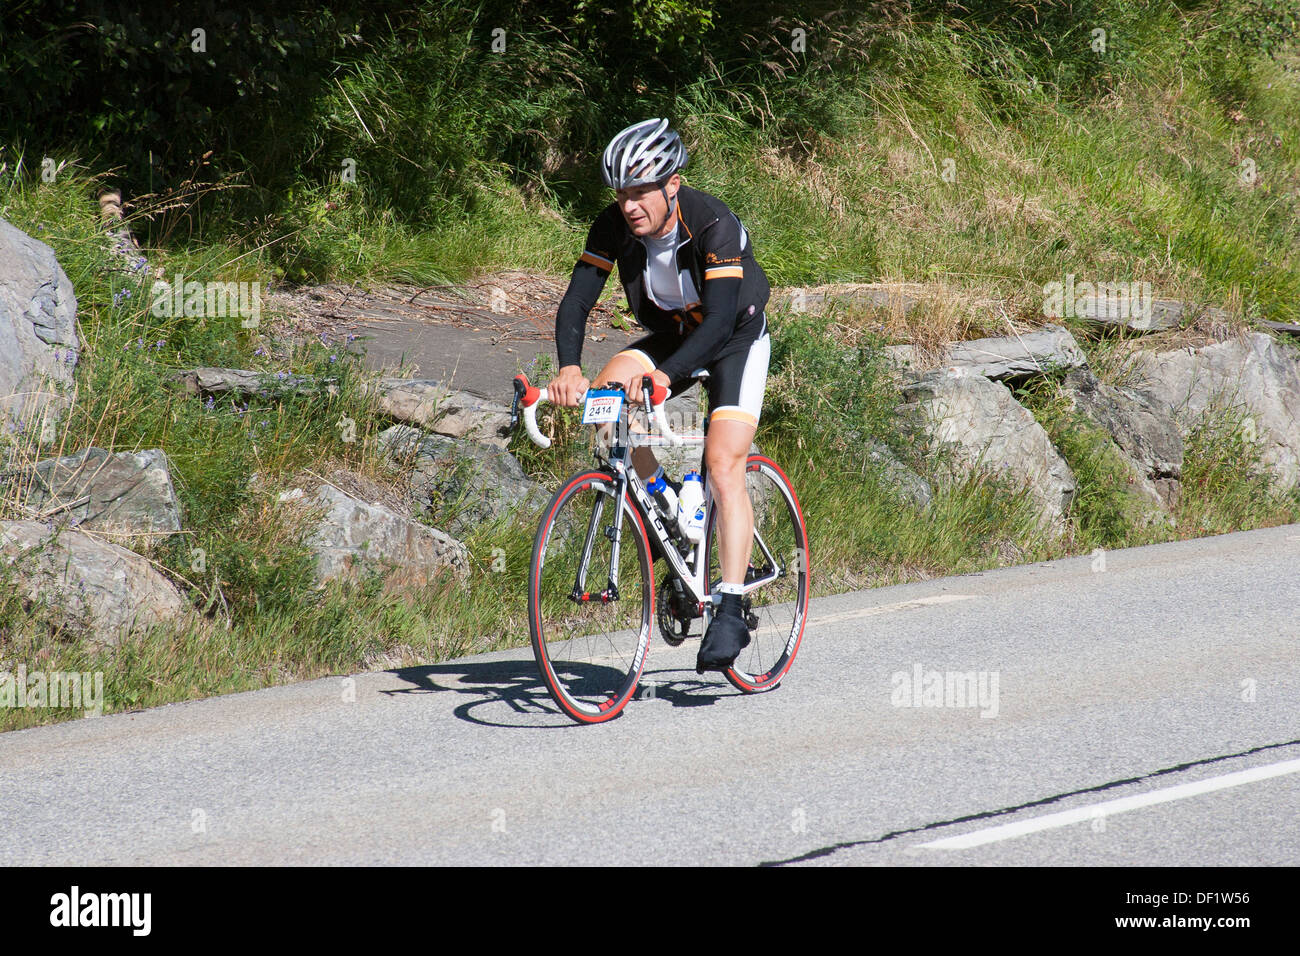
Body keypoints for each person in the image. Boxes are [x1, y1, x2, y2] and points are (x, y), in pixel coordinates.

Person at [548, 117, 771, 674]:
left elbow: (718, 321)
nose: (629, 205)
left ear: (672, 184)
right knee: (606, 403)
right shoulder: (613, 225)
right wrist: (570, 369)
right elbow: (576, 301)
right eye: (621, 193)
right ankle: (663, 506)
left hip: (734, 336)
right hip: (673, 336)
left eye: (641, 190)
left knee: (723, 462)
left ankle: (732, 605)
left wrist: (668, 378)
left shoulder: (713, 221)